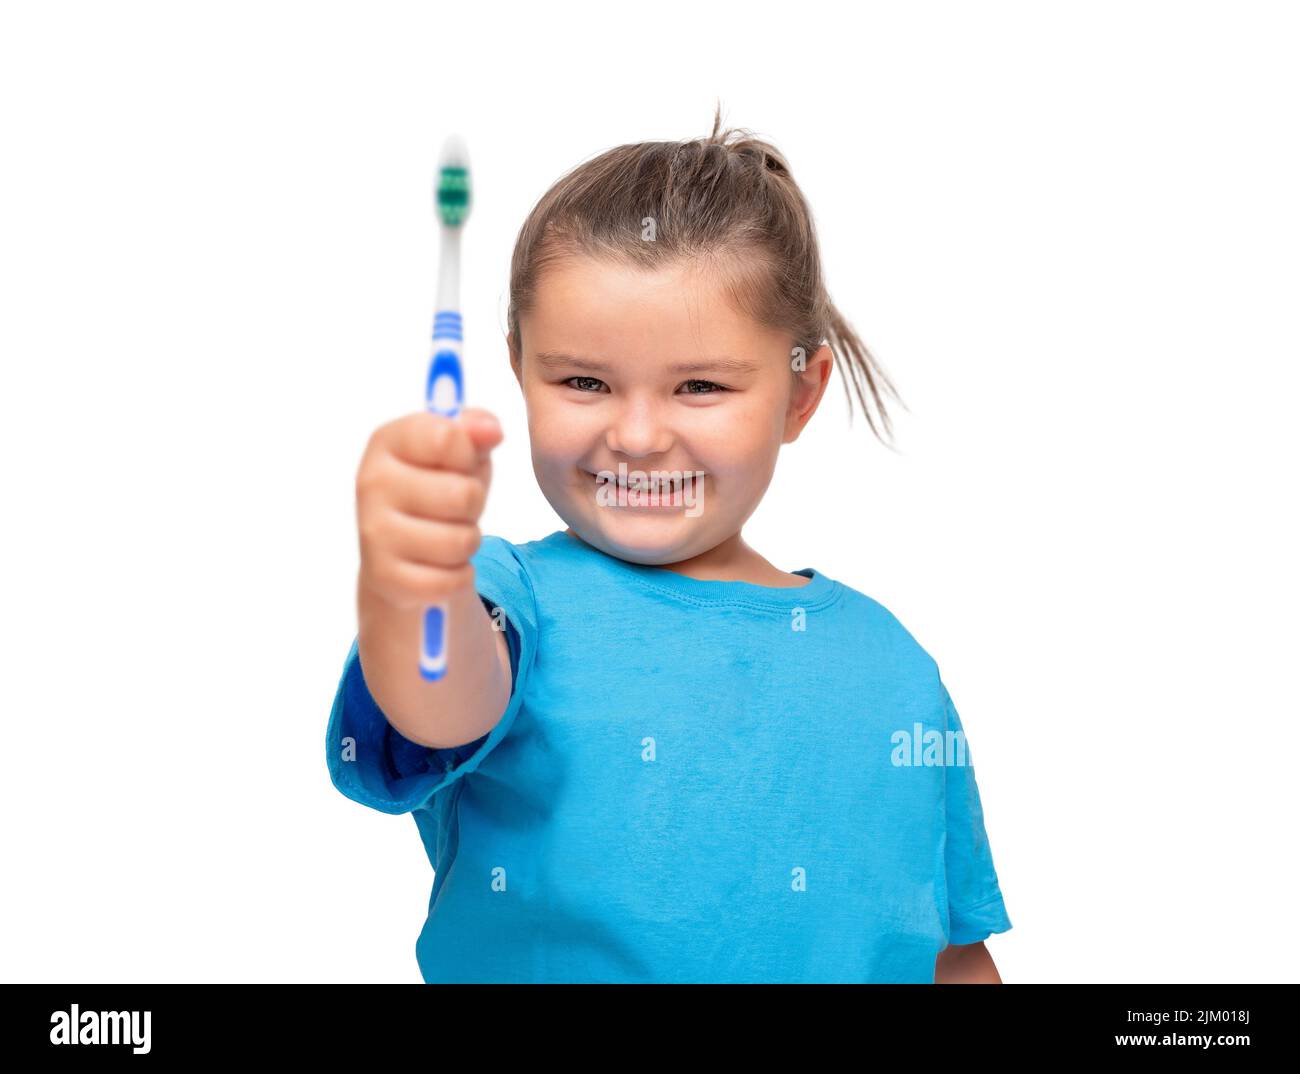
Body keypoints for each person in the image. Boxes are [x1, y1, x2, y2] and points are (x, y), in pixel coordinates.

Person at [327, 105, 1012, 983]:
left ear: (800, 396)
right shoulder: (507, 599)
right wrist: (413, 581)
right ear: (518, 367)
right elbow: (441, 697)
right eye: (583, 381)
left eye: (699, 386)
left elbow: (954, 954)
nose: (640, 435)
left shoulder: (898, 667)